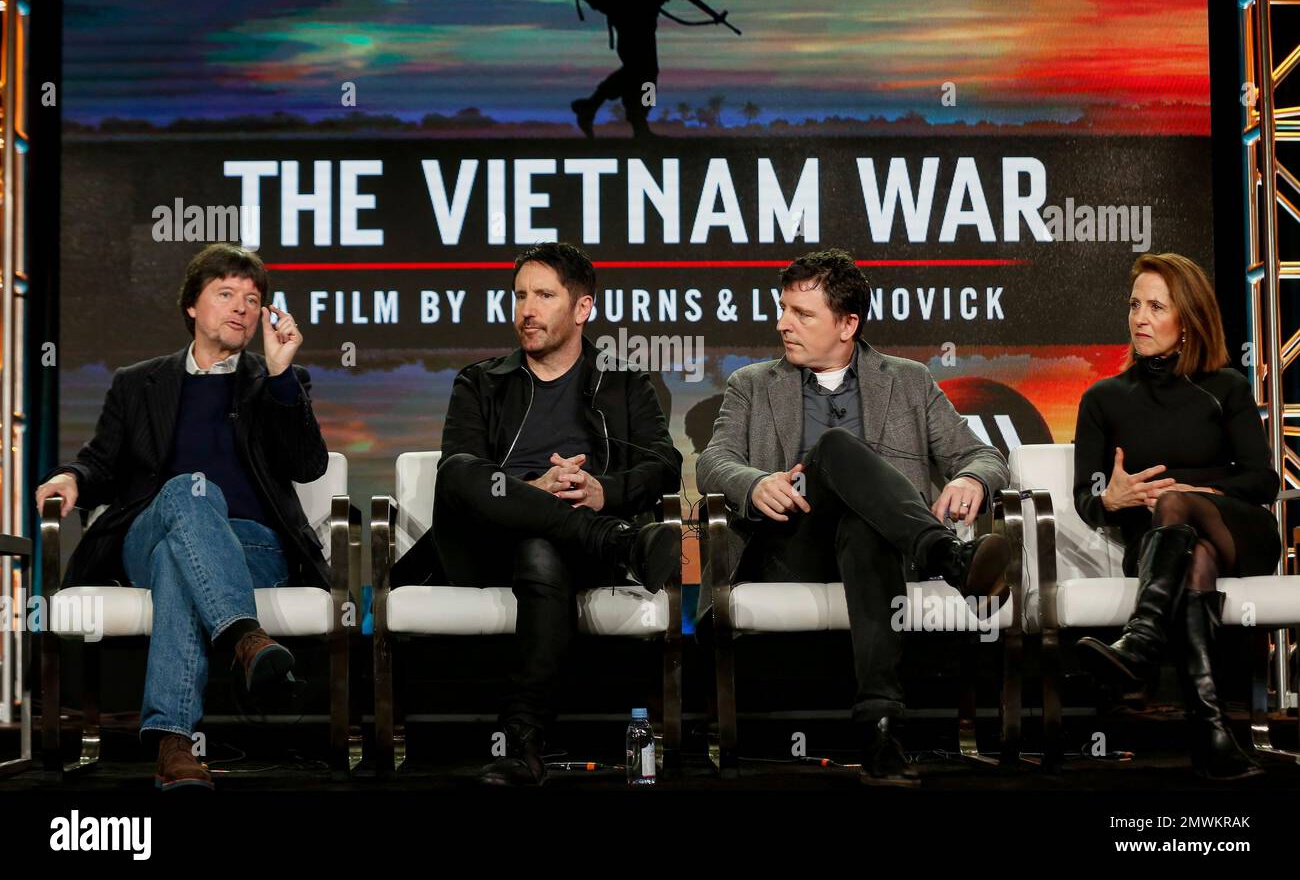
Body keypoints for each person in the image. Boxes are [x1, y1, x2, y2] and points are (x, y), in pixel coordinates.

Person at [696, 248, 1012, 788]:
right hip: (787, 548)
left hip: (874, 551)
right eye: (783, 309)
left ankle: (881, 727)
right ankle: (946, 555)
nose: (783, 325)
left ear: (848, 324)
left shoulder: (909, 382)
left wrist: (971, 479)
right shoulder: (752, 383)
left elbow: (985, 456)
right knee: (836, 447)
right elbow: (712, 461)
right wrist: (756, 483)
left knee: (865, 527)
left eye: (802, 314)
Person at [34, 243, 330, 790]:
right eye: (226, 294)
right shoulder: (138, 382)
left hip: (253, 549)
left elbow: (308, 466)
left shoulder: (277, 381)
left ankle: (175, 747)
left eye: (253, 299)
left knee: (180, 563)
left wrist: (283, 377)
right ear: (192, 305)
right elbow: (102, 461)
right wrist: (71, 477)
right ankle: (244, 637)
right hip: (146, 535)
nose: (242, 308)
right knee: (188, 493)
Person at [399, 242, 682, 787]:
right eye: (520, 295)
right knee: (457, 468)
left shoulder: (622, 380)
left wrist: (601, 490)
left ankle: (522, 741)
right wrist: (533, 489)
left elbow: (664, 466)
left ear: (582, 309)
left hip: (565, 551)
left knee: (541, 546)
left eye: (544, 296)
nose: (526, 309)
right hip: (485, 546)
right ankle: (618, 542)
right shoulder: (480, 381)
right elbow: (463, 477)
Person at [1073, 252, 1280, 781]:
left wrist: (1198, 490)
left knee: (1175, 504)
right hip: (1159, 551)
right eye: (1135, 305)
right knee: (1191, 555)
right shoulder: (1103, 399)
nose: (1139, 318)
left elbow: (1264, 480)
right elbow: (1086, 500)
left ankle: (1141, 641)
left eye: (1155, 307)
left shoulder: (1226, 386)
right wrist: (1110, 500)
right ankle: (1211, 734)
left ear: (1186, 321)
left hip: (1238, 531)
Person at [571, 0, 676, 138]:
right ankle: (632, 121)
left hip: (637, 14)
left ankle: (599, 109)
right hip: (631, 14)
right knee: (642, 69)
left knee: (640, 69)